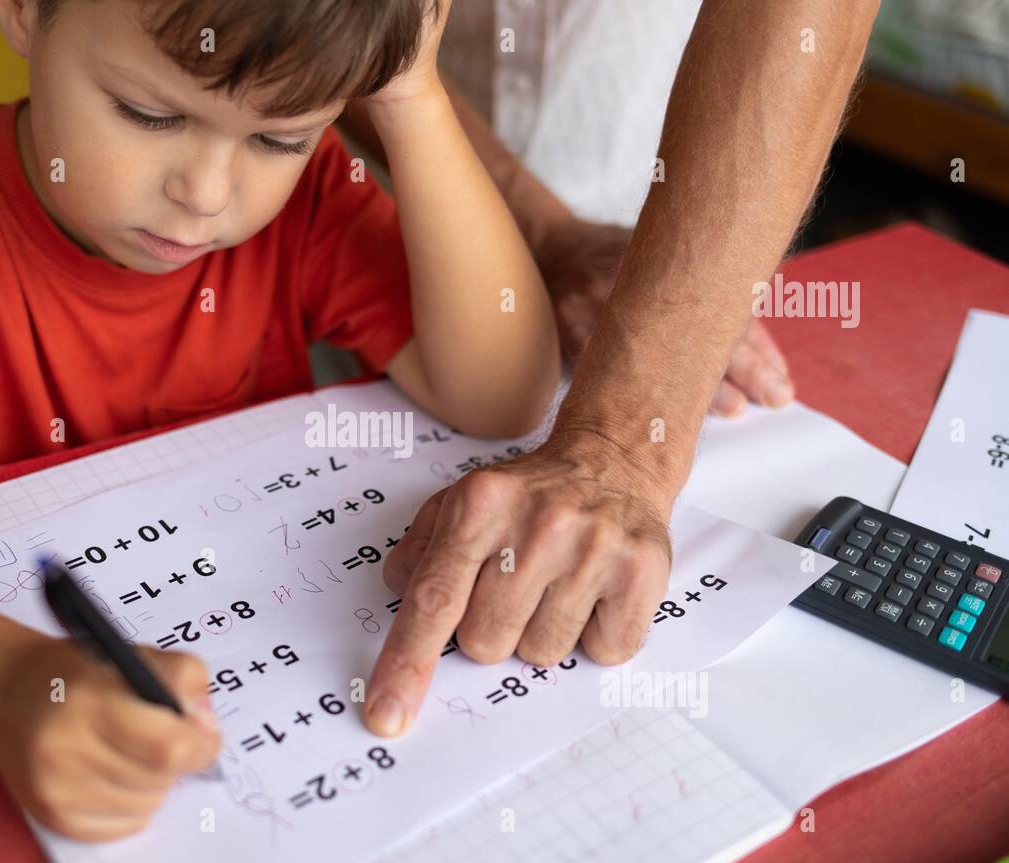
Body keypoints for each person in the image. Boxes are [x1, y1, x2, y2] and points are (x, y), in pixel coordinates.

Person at [0, 0, 553, 840]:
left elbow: (501, 394)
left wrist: (410, 99)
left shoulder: (314, 198)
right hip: (38, 707)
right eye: (150, 114)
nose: (207, 194)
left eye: (278, 139)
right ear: (26, 13)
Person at [354, 0, 883, 738]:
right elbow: (326, 27)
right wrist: (540, 230)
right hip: (407, 204)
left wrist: (623, 448)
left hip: (677, 208)